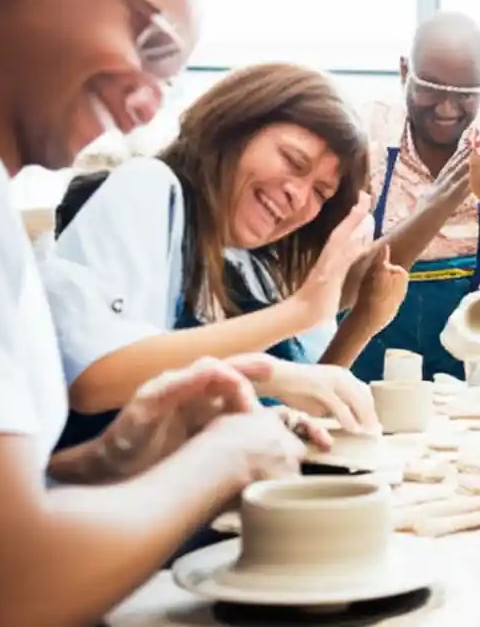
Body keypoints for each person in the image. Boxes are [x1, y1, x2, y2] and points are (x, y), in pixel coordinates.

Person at [0, 0, 307, 623]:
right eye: (147, 46)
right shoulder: (149, 191)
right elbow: (15, 583)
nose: (140, 114)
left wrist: (105, 464)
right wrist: (223, 458)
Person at [47, 62, 386, 449]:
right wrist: (295, 321)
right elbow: (95, 380)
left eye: (321, 193)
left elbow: (306, 389)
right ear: (234, 128)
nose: (298, 195)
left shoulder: (256, 267)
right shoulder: (149, 188)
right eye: (293, 162)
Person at [350, 12, 480, 382]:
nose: (447, 108)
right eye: (431, 88)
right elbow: (338, 279)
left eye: (465, 94)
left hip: (464, 373)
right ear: (404, 72)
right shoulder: (358, 138)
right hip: (358, 360)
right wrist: (439, 203)